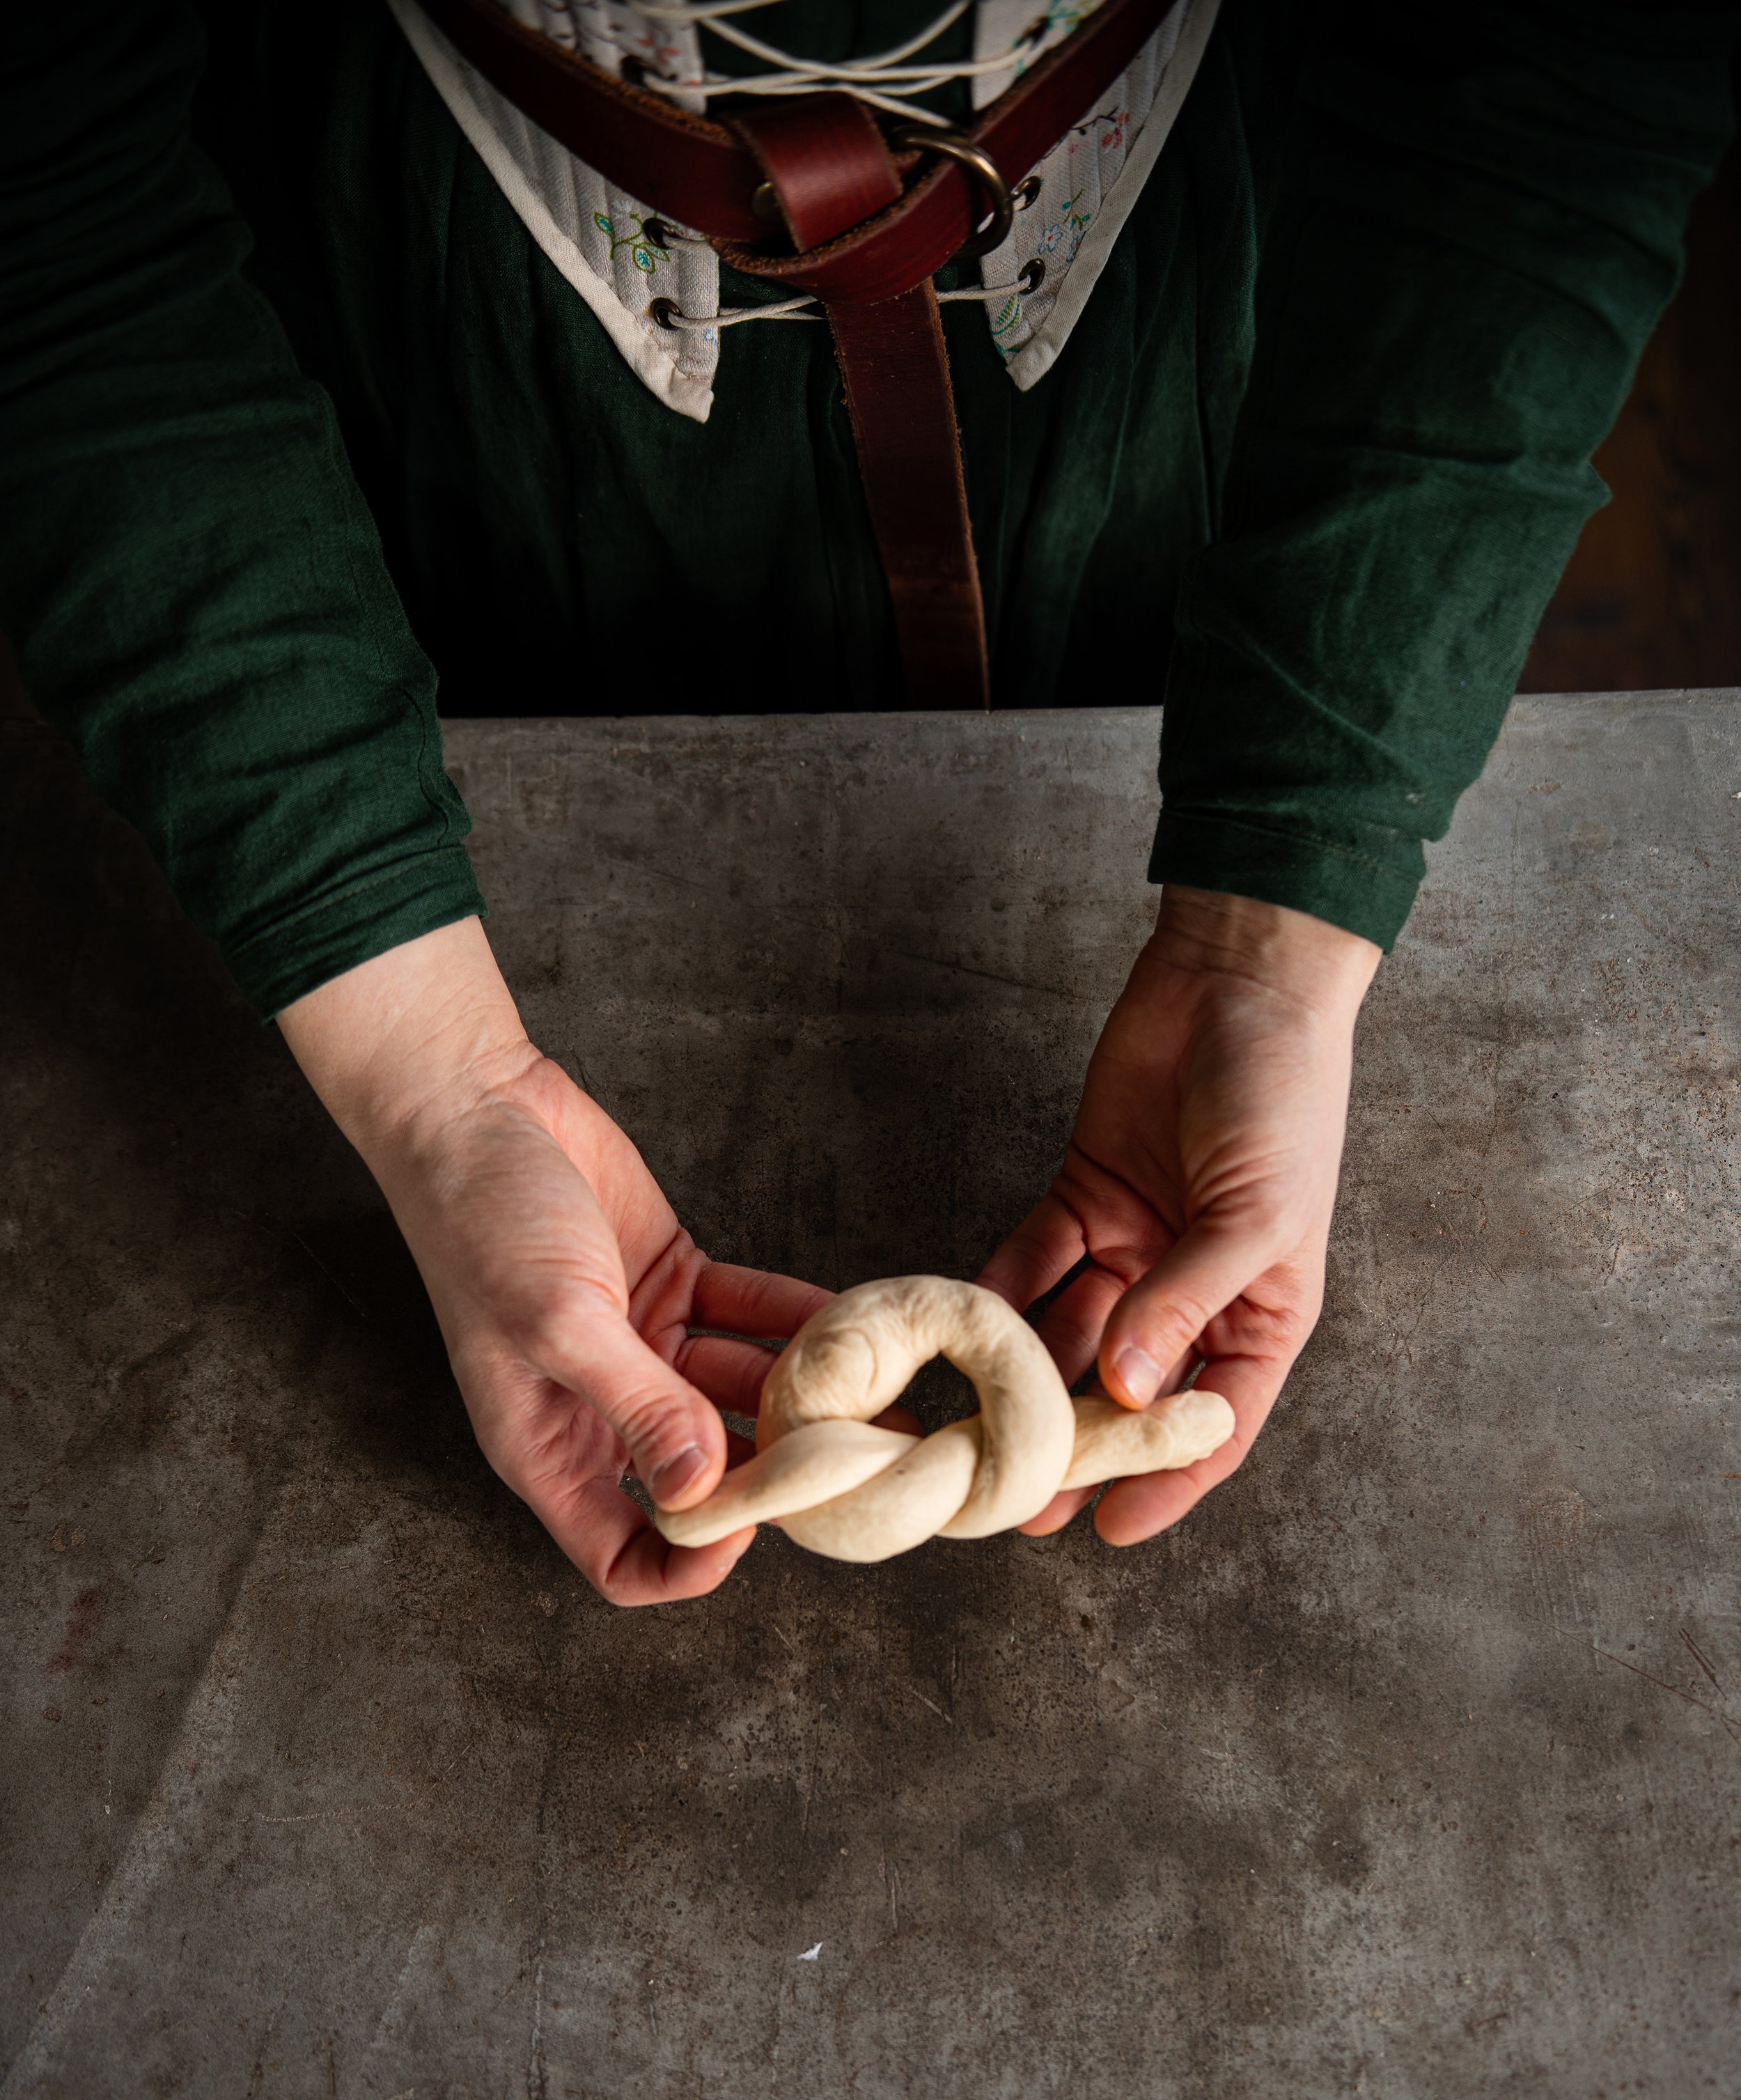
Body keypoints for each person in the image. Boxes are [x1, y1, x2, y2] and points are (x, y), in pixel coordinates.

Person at [1, 1, 1732, 1603]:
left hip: (1182, 329)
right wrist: (433, 1076)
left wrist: (1274, 920)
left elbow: (1550, 65)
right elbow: (46, 200)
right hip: (461, 360)